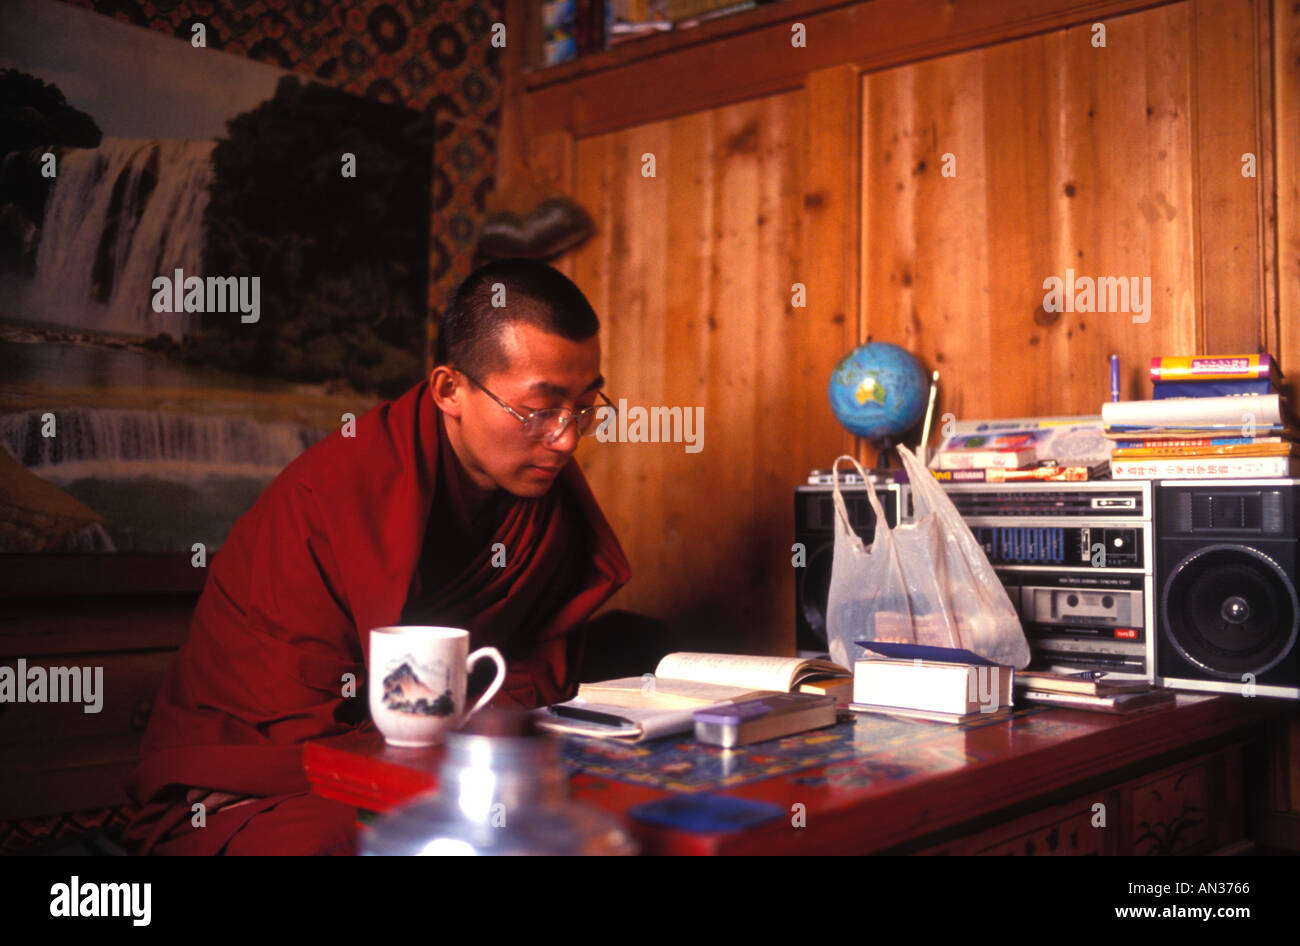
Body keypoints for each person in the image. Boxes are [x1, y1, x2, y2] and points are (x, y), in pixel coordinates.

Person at [122, 259, 631, 855]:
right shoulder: (332, 493)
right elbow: (278, 709)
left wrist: (469, 737)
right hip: (278, 777)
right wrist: (262, 773)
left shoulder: (544, 498)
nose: (566, 438)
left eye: (585, 407)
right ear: (450, 391)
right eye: (539, 410)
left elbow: (540, 657)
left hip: (444, 760)